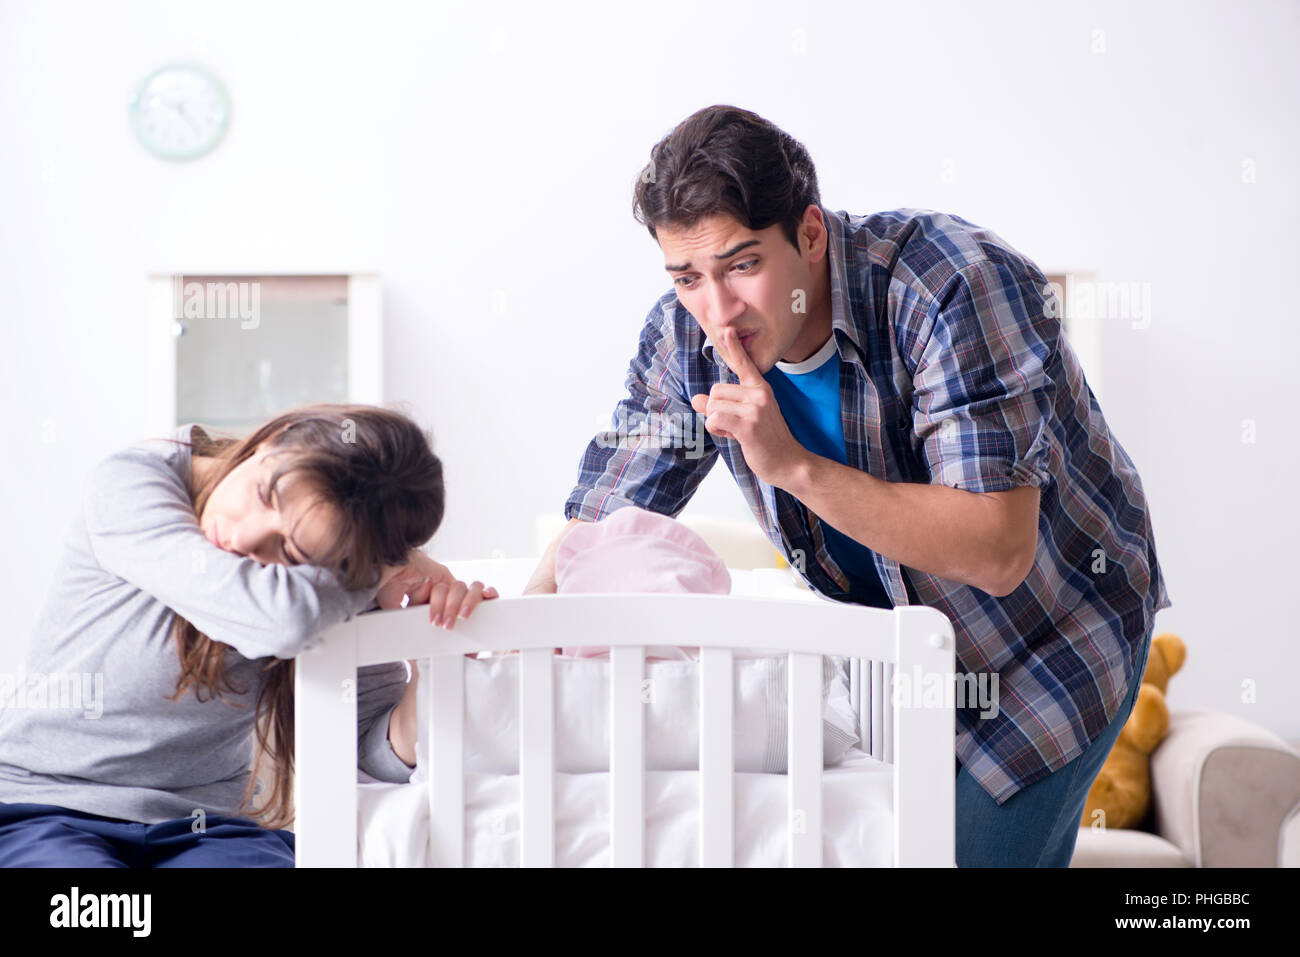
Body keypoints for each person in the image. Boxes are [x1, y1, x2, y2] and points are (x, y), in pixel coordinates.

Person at [524, 104, 1172, 867]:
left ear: (809, 233)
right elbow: (603, 519)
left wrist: (792, 465)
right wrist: (502, 650)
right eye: (688, 277)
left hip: (1053, 633)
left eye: (742, 265)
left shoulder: (954, 286)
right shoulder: (682, 338)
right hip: (910, 661)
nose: (718, 311)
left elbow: (999, 548)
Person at [0, 403, 496, 867]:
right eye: (264, 495)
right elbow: (282, 621)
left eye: (290, 555)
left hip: (204, 828)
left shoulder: (335, 584)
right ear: (273, 440)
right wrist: (386, 568)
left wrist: (434, 662)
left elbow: (370, 748)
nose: (242, 538)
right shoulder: (133, 480)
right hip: (41, 806)